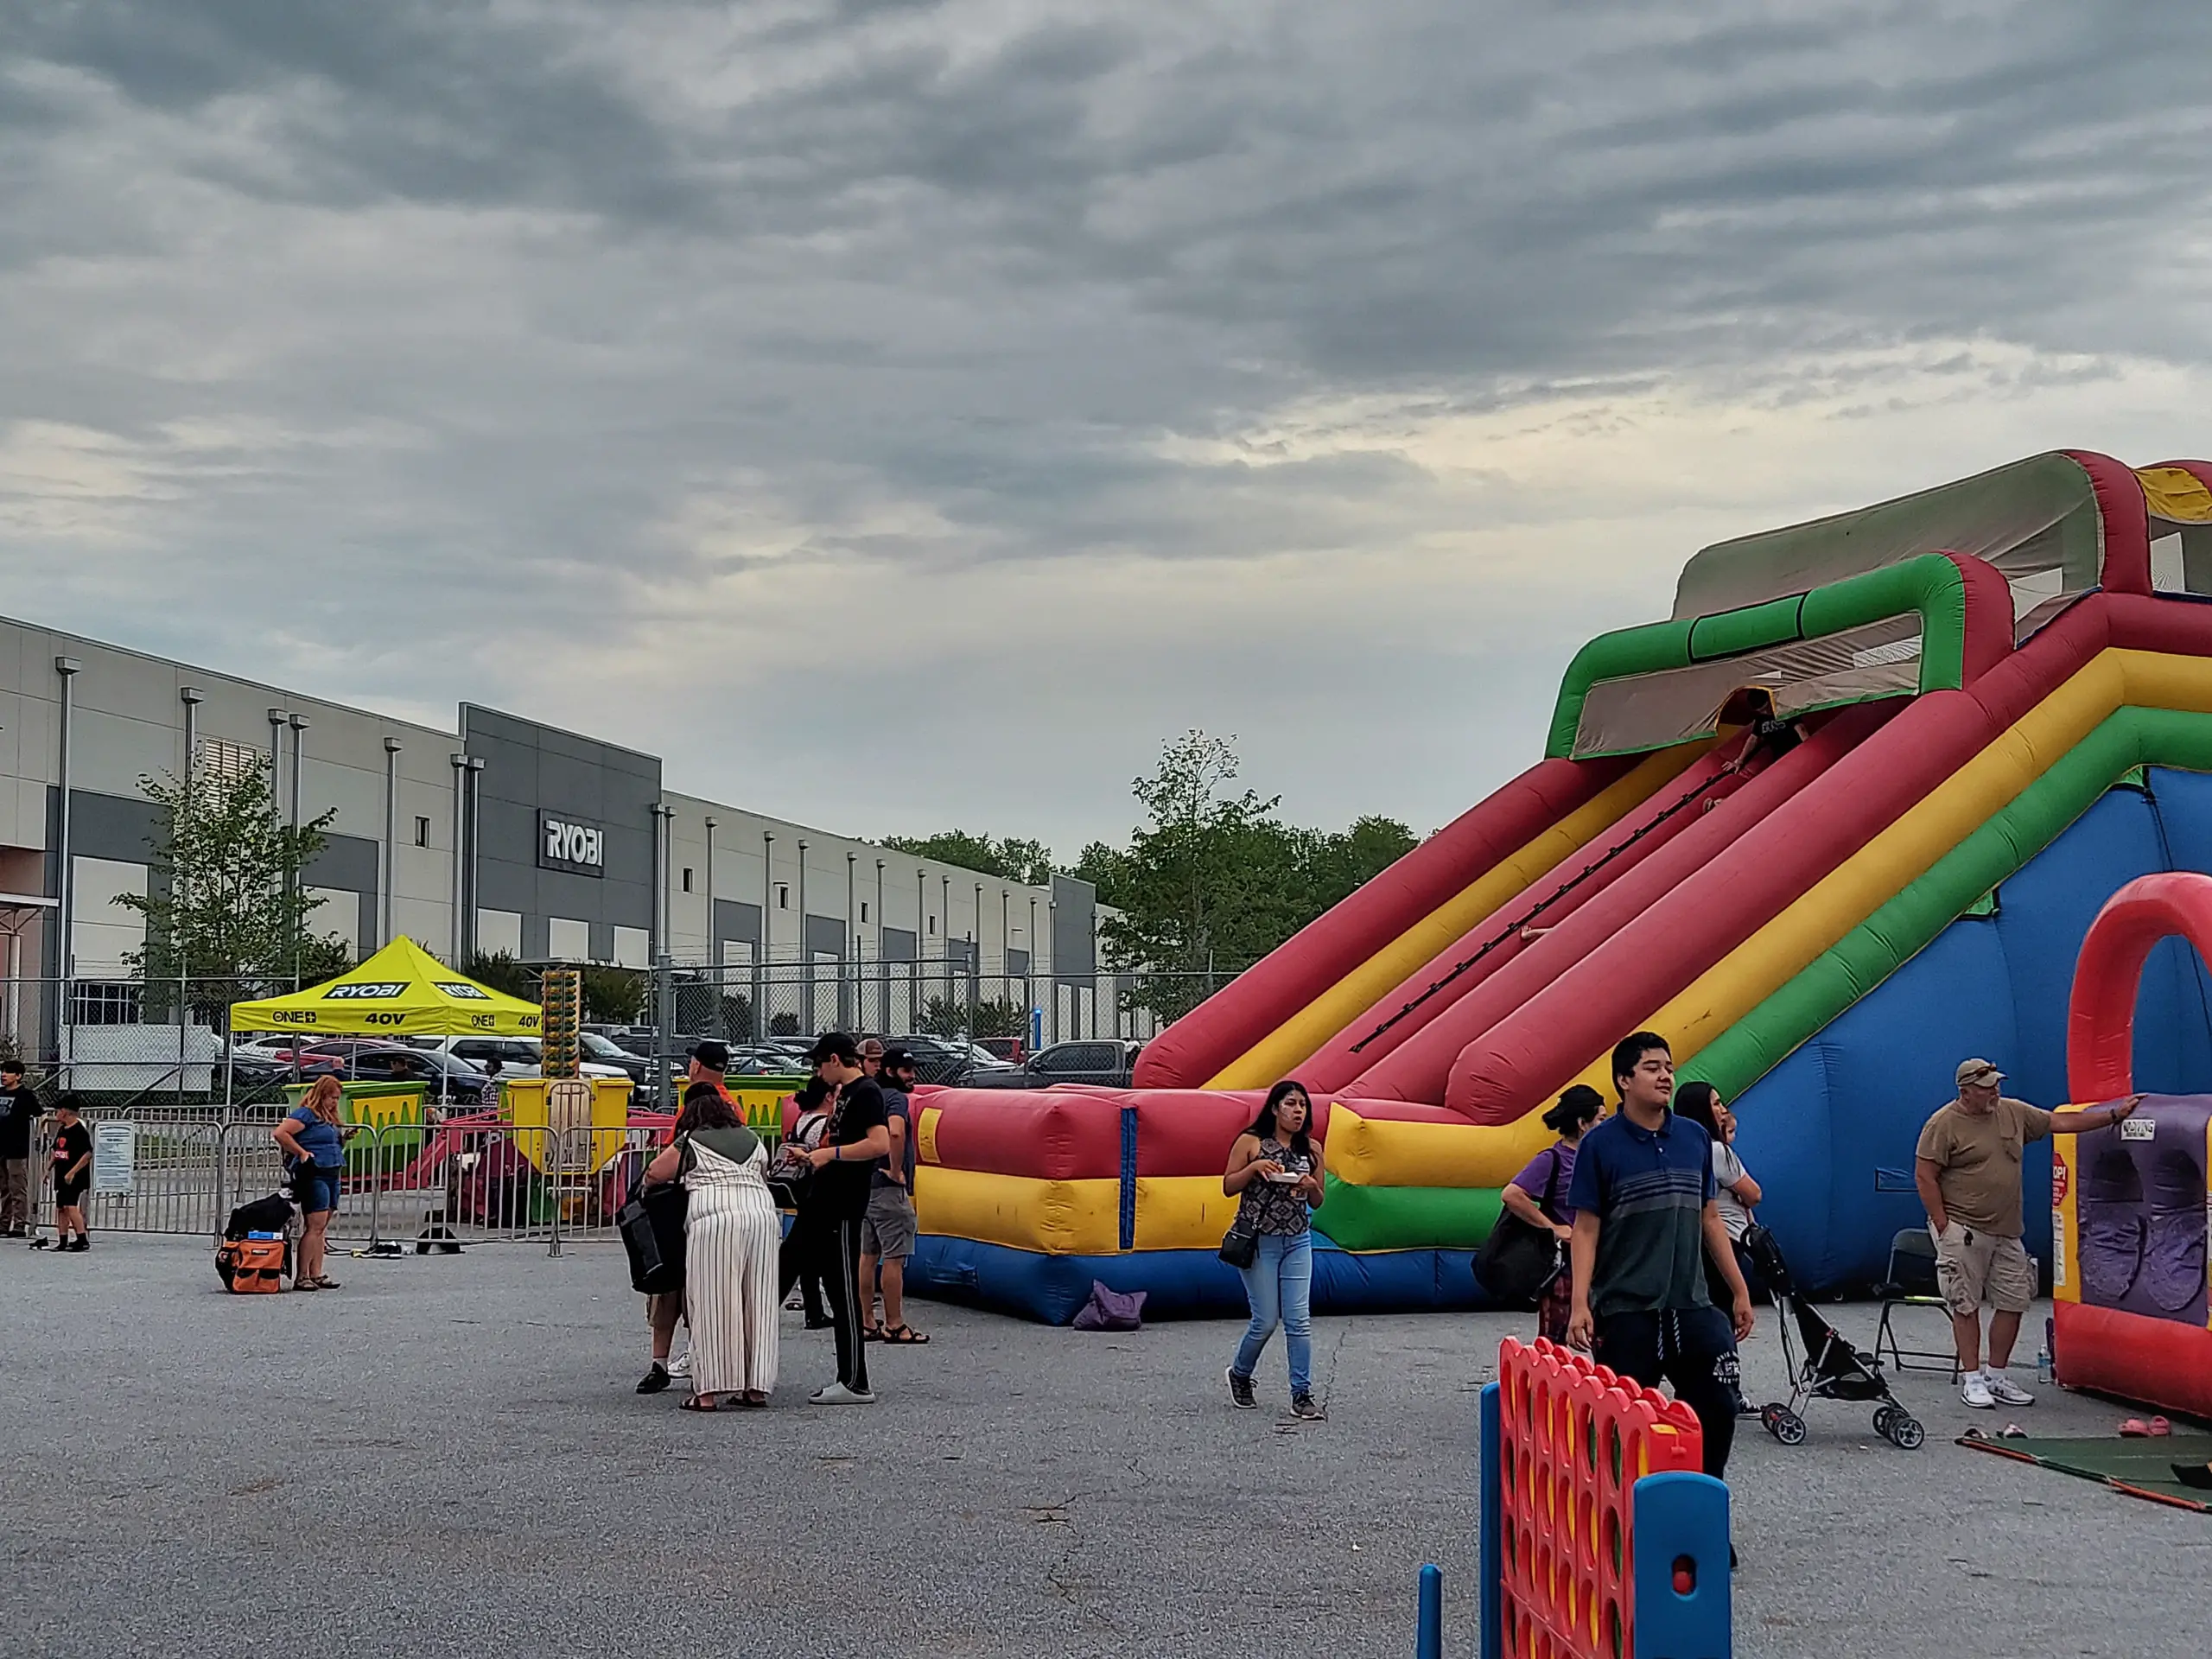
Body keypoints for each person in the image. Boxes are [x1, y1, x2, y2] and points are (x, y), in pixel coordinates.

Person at [1566, 1033, 1753, 1485]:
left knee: (1717, 1409)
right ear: (1623, 1080)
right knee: (1619, 1423)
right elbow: (1585, 1229)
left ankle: (1701, 1512)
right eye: (1652, 1067)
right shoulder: (1601, 1146)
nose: (1666, 1075)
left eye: (1669, 1067)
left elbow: (1711, 1218)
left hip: (1692, 1302)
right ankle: (1621, 1519)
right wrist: (1579, 1304)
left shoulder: (1693, 1139)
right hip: (1627, 1307)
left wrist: (1740, 1291)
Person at [1916, 1058, 2140, 1409]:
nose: (1994, 1091)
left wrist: (2112, 1115)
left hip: (2007, 1229)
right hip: (1964, 1228)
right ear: (1965, 1092)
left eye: (1996, 1084)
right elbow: (1925, 1175)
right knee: (1965, 1303)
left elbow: (2058, 1121)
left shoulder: (2012, 1112)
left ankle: (1997, 1375)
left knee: (2014, 1301)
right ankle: (1972, 1379)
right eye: (1987, 1086)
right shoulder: (1943, 1124)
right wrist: (1943, 1225)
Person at [643, 1083, 780, 1410]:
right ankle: (756, 1387)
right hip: (762, 1217)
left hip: (715, 1220)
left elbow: (655, 1171)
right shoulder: (752, 1137)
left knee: (712, 1304)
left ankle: (706, 1392)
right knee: (758, 1303)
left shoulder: (691, 1140)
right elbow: (765, 1171)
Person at [1222, 1079, 1326, 1420]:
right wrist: (1254, 1168)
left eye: (1303, 1105)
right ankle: (1240, 1373)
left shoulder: (1312, 1149)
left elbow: (1318, 1200)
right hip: (1259, 1240)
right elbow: (1228, 1186)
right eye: (1291, 1104)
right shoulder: (1251, 1142)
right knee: (1265, 1320)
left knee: (1299, 1320)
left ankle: (1302, 1393)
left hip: (1297, 1239)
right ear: (1275, 1108)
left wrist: (1310, 1186)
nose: (1298, 1111)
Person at [640, 1044, 739, 1394]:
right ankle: (701, 1356)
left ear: (696, 1065)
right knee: (700, 1290)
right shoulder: (733, 1107)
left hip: (684, 1210)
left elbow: (663, 1164)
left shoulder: (695, 1108)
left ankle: (662, 1363)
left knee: (670, 1288)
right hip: (715, 1211)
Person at [802, 1032, 893, 1404]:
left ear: (836, 1059)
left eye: (820, 1063)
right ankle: (850, 1377)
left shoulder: (866, 1092)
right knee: (833, 1287)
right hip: (829, 1199)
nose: (818, 1071)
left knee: (843, 1292)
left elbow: (880, 1143)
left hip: (844, 1204)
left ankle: (854, 1380)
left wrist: (829, 1155)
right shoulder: (848, 1094)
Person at [1499, 1085, 1604, 1344]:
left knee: (1606, 1340)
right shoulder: (1553, 1159)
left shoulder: (1602, 1158)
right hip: (1564, 1267)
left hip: (1603, 1264)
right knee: (1553, 1344)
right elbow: (1512, 1194)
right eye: (1601, 1118)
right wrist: (1552, 1227)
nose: (1607, 1125)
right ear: (1583, 1124)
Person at [1673, 1082, 1764, 1306]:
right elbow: (1754, 1194)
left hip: (1693, 1240)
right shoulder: (1715, 1150)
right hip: (1727, 1239)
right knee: (1724, 1305)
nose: (1723, 1109)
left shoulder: (1679, 1148)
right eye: (1716, 1103)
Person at [858, 1045, 926, 1344]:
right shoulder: (894, 1098)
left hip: (865, 1187)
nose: (912, 1076)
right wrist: (896, 1169)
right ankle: (895, 1324)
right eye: (906, 1071)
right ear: (890, 1072)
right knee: (894, 1258)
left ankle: (866, 1321)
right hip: (888, 1189)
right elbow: (896, 1132)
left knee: (867, 1256)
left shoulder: (866, 1095)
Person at [274, 1074, 355, 1289]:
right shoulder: (306, 1114)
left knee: (322, 1226)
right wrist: (301, 1152)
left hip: (332, 1170)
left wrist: (344, 1139)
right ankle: (302, 1276)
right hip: (314, 1173)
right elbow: (281, 1133)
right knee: (315, 1224)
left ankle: (316, 1272)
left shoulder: (328, 1118)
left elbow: (331, 1143)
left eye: (337, 1098)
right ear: (321, 1096)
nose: (334, 1102)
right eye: (331, 1098)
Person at [776, 1077, 836, 1328]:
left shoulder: (803, 1119)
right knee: (797, 1252)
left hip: (801, 1189)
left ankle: (814, 1310)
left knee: (808, 1253)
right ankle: (772, 1302)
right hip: (818, 1190)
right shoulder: (823, 1124)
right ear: (829, 1097)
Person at [1, 1059, 45, 1239]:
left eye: (8, 1072)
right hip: (1, 1147)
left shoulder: (26, 1095)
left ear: (18, 1076)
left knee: (17, 1186)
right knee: (3, 1187)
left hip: (17, 1149)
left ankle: (19, 1224)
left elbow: (41, 1116)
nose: (3, 1075)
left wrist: (39, 1140)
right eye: (3, 1071)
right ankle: (3, 1223)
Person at [47, 1096, 92, 1253]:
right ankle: (63, 1240)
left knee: (71, 1206)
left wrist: (72, 1172)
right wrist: (47, 1169)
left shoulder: (79, 1131)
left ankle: (82, 1239)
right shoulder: (62, 1129)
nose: (56, 1114)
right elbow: (56, 1151)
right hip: (61, 1172)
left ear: (65, 1111)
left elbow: (87, 1154)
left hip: (75, 1175)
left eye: (57, 1111)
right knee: (61, 1208)